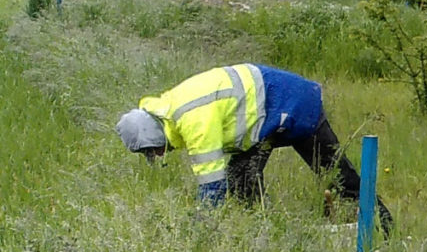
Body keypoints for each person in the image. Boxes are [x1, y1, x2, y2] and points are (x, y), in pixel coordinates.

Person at [115, 62, 391, 230]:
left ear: (153, 135)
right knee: (243, 181)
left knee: (338, 177)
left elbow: (212, 186)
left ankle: (383, 225)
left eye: (152, 150)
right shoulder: (171, 109)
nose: (158, 155)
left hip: (292, 102)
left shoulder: (192, 120)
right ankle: (266, 231)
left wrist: (199, 231)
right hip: (263, 119)